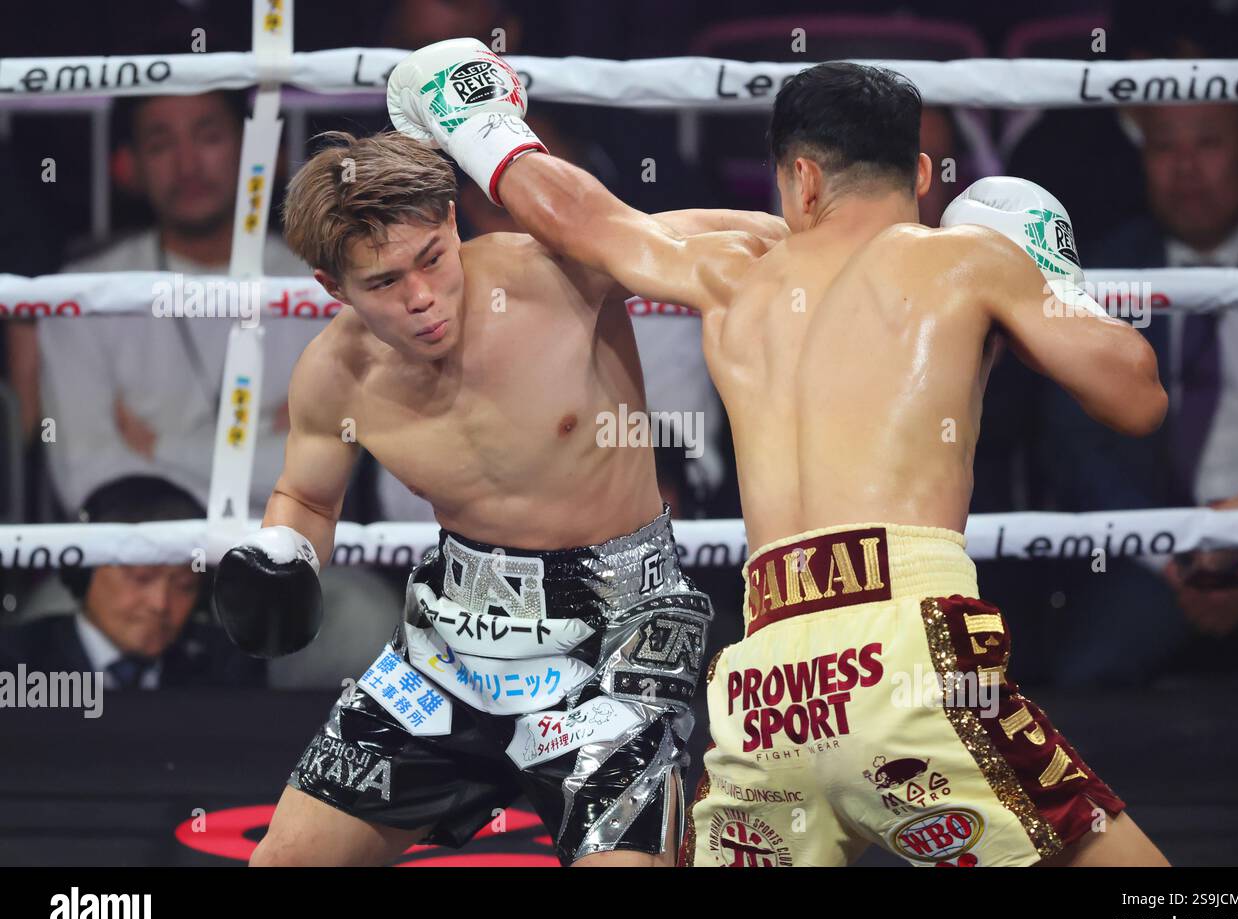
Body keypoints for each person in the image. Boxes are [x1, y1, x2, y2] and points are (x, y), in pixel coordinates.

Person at [390, 42, 1170, 865]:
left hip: (764, 686)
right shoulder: (967, 259)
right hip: (907, 649)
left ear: (800, 179)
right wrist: (1047, 284)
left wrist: (477, 121)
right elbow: (1139, 398)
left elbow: (586, 221)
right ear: (923, 173)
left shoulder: (733, 273)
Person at [213, 126, 785, 867]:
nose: (422, 298)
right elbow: (308, 498)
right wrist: (283, 552)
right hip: (451, 638)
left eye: (431, 260)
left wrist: (921, 252)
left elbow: (756, 236)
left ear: (452, 222)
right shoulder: (334, 375)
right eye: (385, 284)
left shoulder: (558, 271)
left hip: (621, 629)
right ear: (334, 288)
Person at [1039, 101, 1238, 687]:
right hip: (1149, 557)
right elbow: (1072, 444)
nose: (1185, 168)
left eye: (1207, 144)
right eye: (1164, 148)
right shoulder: (1100, 273)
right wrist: (1176, 556)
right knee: (1080, 681)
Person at [38, 92, 316, 516]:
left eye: (208, 136)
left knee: (356, 588)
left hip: (293, 551)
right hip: (136, 563)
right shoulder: (82, 292)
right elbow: (87, 477)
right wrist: (264, 448)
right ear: (128, 167)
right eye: (160, 144)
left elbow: (322, 473)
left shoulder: (321, 283)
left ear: (257, 151)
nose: (187, 165)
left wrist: (160, 449)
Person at [0, 475, 264, 690]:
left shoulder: (226, 666)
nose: (160, 603)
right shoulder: (15, 664)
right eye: (141, 578)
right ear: (82, 572)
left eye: (185, 585)